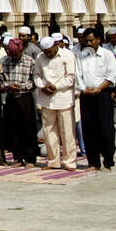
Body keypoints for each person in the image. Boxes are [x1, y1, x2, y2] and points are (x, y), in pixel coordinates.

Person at [75, 28, 116, 173]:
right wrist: (83, 89)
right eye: (86, 40)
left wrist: (99, 88)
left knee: (105, 129)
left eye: (91, 40)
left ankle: (108, 161)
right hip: (86, 95)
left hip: (102, 94)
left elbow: (112, 75)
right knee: (89, 129)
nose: (88, 43)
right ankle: (93, 162)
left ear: (98, 40)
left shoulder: (107, 55)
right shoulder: (81, 56)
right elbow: (78, 76)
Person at [35, 35, 78, 171]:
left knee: (67, 131)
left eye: (50, 51)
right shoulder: (40, 57)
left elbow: (71, 77)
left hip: (63, 97)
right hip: (46, 98)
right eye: (46, 52)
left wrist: (56, 86)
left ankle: (69, 161)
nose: (48, 54)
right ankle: (53, 161)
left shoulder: (67, 55)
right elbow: (36, 75)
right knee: (49, 131)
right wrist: (42, 86)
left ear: (55, 46)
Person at [0, 38, 38, 166]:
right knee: (14, 129)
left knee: (28, 129)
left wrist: (21, 87)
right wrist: (8, 86)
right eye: (11, 53)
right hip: (11, 98)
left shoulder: (30, 62)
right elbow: (1, 80)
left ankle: (30, 158)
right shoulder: (5, 62)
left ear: (21, 51)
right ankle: (18, 157)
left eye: (16, 54)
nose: (13, 56)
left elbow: (34, 81)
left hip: (25, 98)